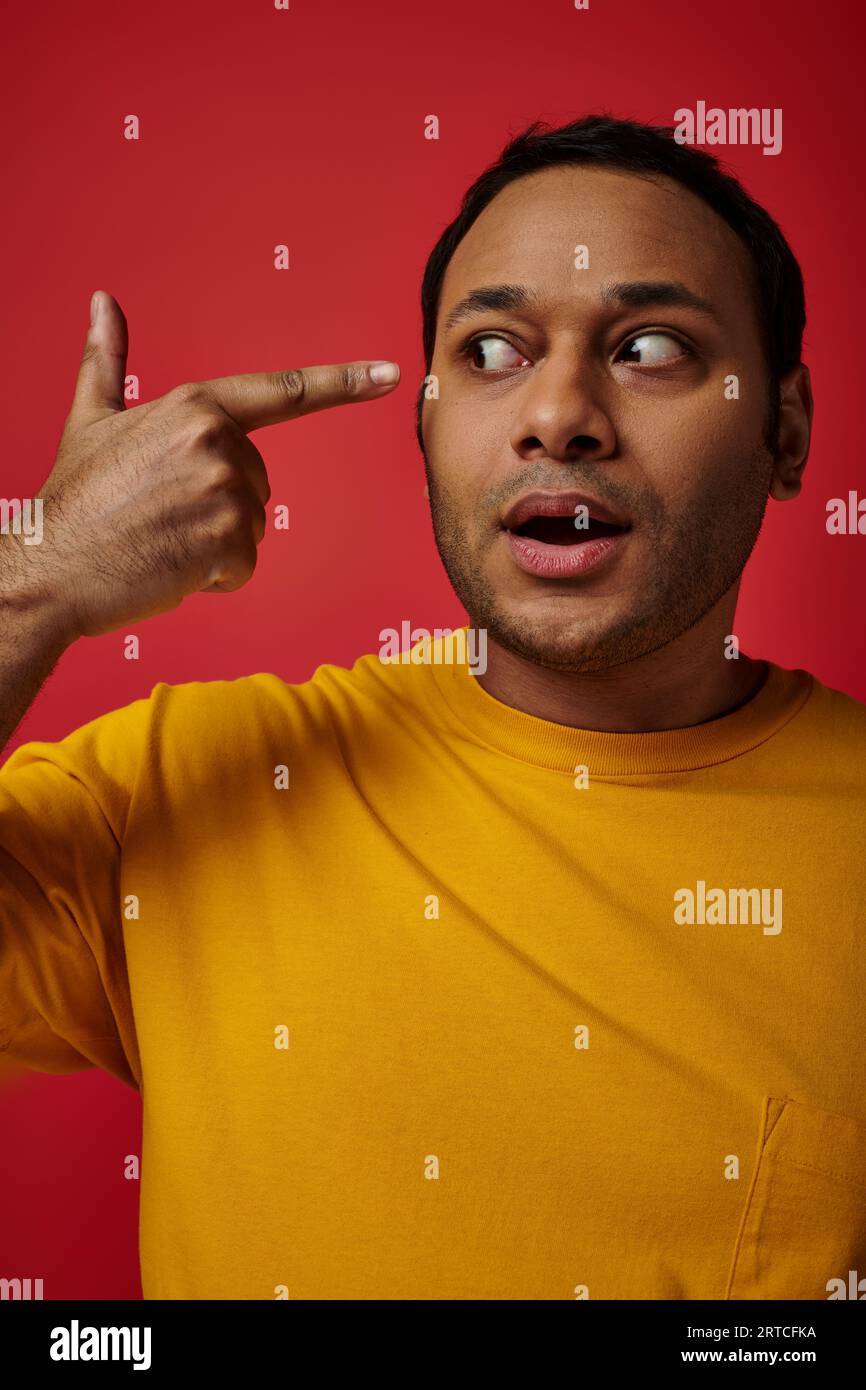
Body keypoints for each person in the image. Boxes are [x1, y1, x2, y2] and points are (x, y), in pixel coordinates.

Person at [1, 113, 864, 1302]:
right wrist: (36, 576)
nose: (556, 413)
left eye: (652, 345)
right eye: (493, 352)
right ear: (424, 423)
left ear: (785, 427)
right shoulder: (183, 786)